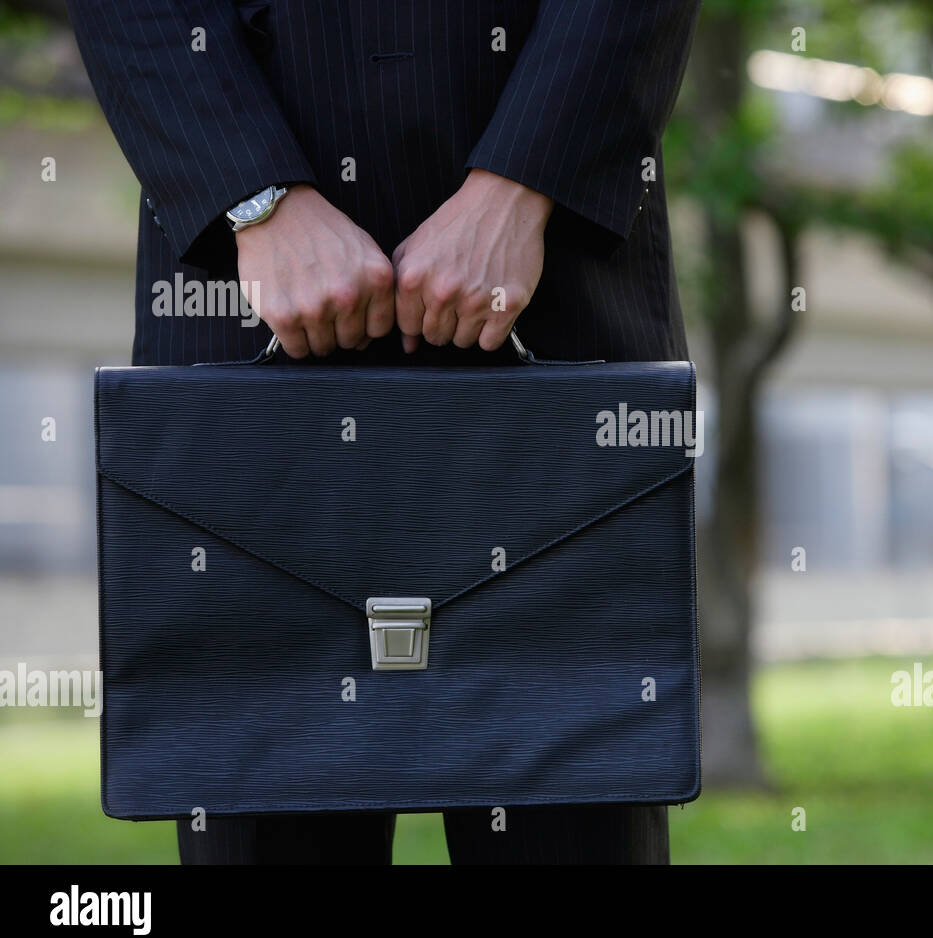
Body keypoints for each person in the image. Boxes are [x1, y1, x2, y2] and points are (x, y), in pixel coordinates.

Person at [67, 0, 699, 865]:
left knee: (577, 811)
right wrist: (256, 198)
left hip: (559, 283)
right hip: (250, 292)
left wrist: (522, 185)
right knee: (266, 820)